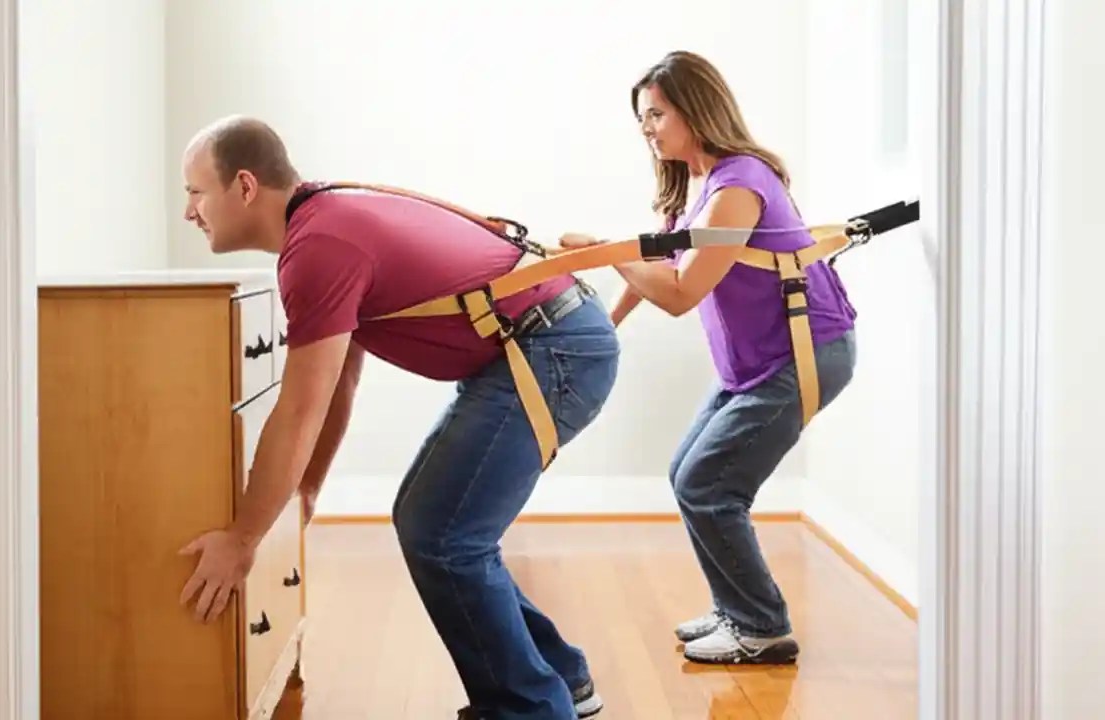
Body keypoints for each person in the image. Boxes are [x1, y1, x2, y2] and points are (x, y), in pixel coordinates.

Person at [174, 116, 618, 719]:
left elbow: (299, 410)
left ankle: (530, 708)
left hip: (552, 347)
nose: (189, 212)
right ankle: (560, 679)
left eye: (195, 192)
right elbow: (338, 381)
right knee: (436, 525)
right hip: (539, 343)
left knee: (444, 533)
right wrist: (306, 487)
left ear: (245, 187)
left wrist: (243, 538)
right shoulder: (321, 220)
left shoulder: (318, 247)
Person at [560, 51, 858, 665]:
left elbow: (680, 293)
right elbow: (665, 271)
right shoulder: (695, 189)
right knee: (687, 474)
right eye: (642, 117)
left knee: (708, 485)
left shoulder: (739, 185)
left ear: (696, 109)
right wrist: (606, 326)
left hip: (804, 355)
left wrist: (602, 252)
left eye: (657, 113)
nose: (647, 128)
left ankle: (761, 627)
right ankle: (736, 609)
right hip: (757, 362)